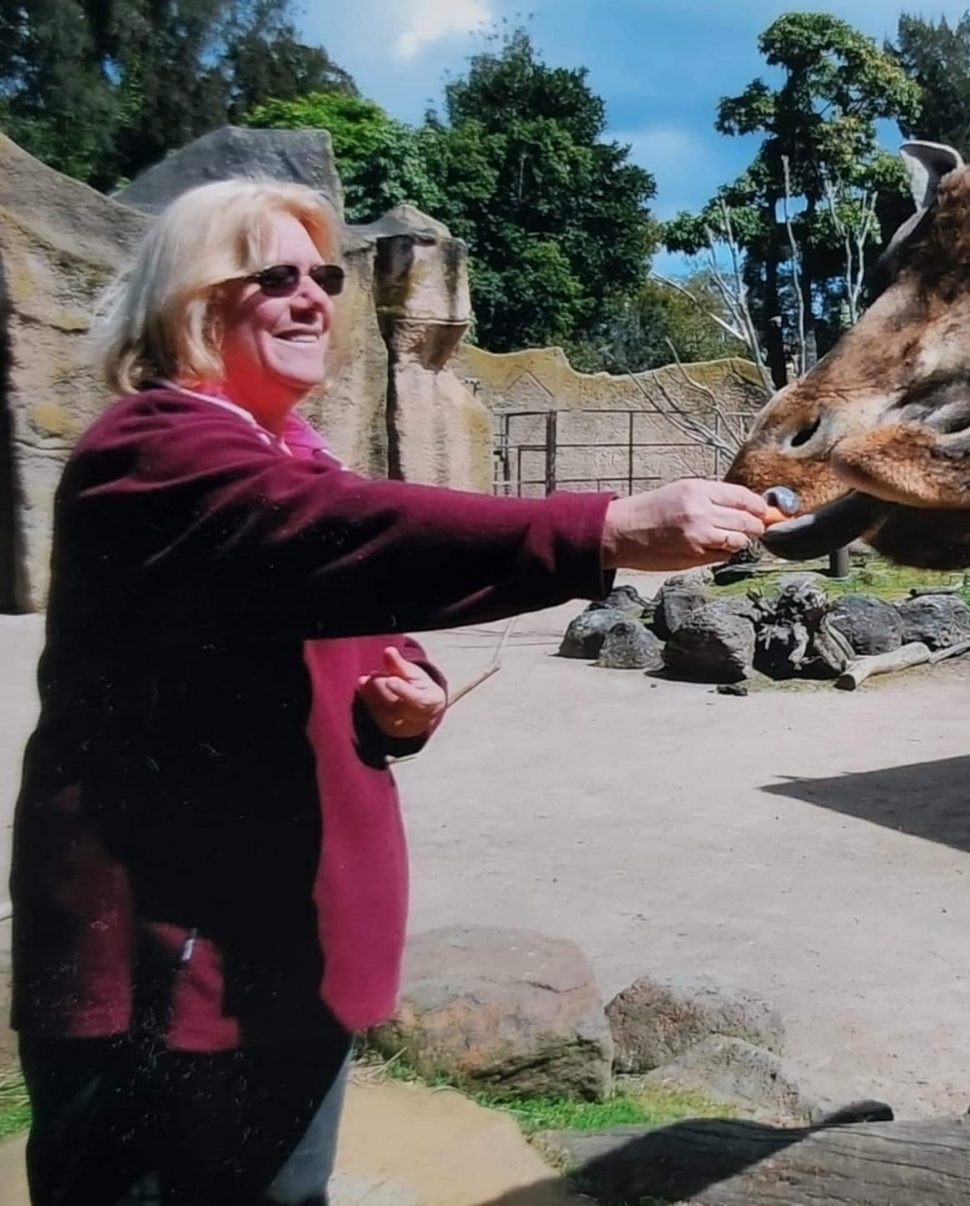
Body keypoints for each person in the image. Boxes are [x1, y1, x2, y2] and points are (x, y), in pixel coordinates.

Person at [8, 178, 768, 1205]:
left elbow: (348, 606)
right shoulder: (153, 449)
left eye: (324, 277)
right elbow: (330, 537)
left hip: (280, 949)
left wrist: (398, 708)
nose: (313, 297)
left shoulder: (294, 458)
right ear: (191, 300)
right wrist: (604, 528)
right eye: (275, 275)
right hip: (162, 959)